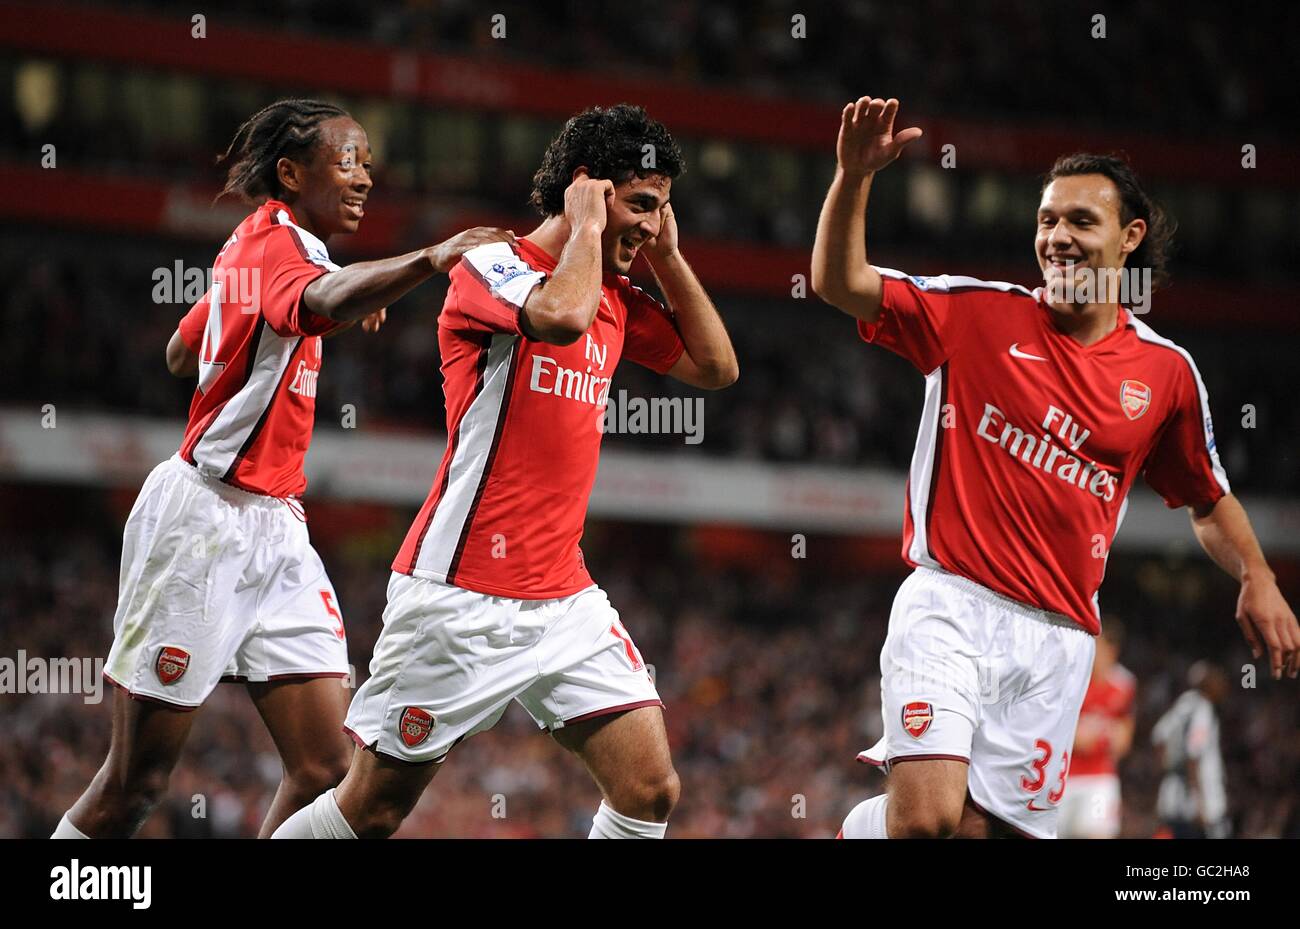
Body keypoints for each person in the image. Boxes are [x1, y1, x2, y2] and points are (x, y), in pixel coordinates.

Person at [814, 96, 1298, 839]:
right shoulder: (975, 313)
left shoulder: (1166, 374)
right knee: (927, 821)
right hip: (951, 607)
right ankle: (859, 828)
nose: (1058, 237)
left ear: (1130, 237)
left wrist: (1257, 576)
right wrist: (852, 178)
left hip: (1061, 641)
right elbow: (838, 280)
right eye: (1047, 220)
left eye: (1080, 221)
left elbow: (1206, 499)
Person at [273, 103, 738, 840]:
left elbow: (716, 366)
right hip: (459, 597)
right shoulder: (493, 265)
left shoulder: (614, 292)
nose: (651, 224)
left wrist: (669, 257)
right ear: (588, 187)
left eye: (664, 208)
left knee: (649, 788)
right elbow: (558, 317)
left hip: (563, 597)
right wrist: (588, 227)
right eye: (643, 205)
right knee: (372, 808)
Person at [52, 98, 511, 839]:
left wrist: (291, 303)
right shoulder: (276, 250)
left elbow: (180, 351)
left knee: (329, 770)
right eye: (347, 162)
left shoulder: (261, 249)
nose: (364, 178)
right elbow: (319, 301)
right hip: (201, 521)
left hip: (277, 527)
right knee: (134, 784)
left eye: (366, 162)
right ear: (292, 173)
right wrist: (425, 260)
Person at [1057, 619, 1135, 838]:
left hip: (1099, 779)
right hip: (1064, 778)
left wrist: (1096, 734)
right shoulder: (1071, 679)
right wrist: (1077, 736)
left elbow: (1123, 741)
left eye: (1098, 646)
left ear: (1112, 650)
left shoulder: (1124, 685)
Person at [1152, 661, 1230, 838]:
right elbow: (1193, 756)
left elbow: (1158, 736)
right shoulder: (1203, 709)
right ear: (1208, 684)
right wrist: (1199, 802)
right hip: (1198, 800)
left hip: (1172, 795)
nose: (1223, 686)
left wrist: (1168, 768)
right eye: (1217, 681)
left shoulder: (1185, 702)